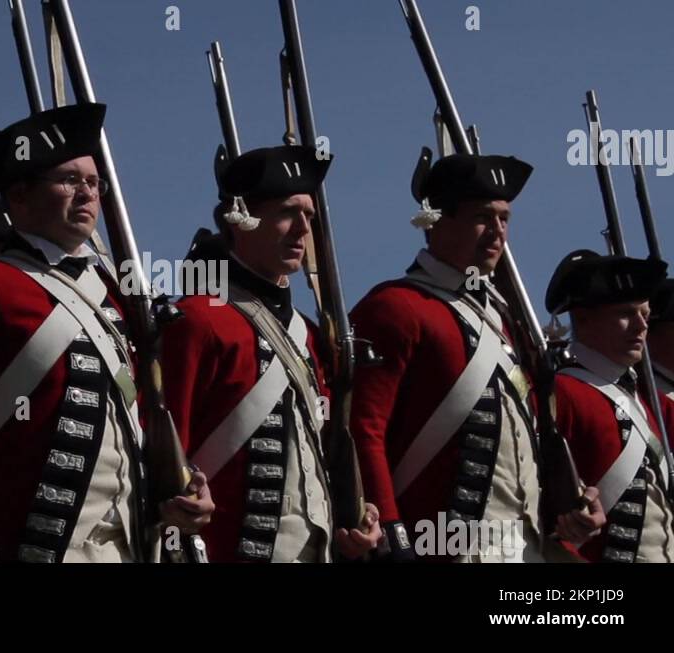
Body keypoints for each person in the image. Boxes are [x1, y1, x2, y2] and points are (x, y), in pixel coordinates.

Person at [0, 104, 213, 562]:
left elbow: (136, 421)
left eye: (93, 182)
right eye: (69, 181)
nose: (87, 194)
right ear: (20, 197)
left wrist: (183, 485)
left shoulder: (110, 298)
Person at [349, 150, 605, 562]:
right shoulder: (396, 306)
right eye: (482, 217)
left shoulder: (505, 320)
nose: (498, 232)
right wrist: (391, 540)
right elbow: (363, 430)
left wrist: (569, 507)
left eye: (505, 218)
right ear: (436, 221)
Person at [161, 144, 381, 562]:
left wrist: (358, 513)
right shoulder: (198, 319)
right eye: (286, 213)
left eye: (309, 217)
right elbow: (166, 455)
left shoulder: (310, 335)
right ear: (240, 219)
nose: (302, 229)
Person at [547, 250, 674, 562]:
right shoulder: (559, 392)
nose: (640, 326)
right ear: (583, 318)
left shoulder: (647, 401)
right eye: (626, 314)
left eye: (645, 314)